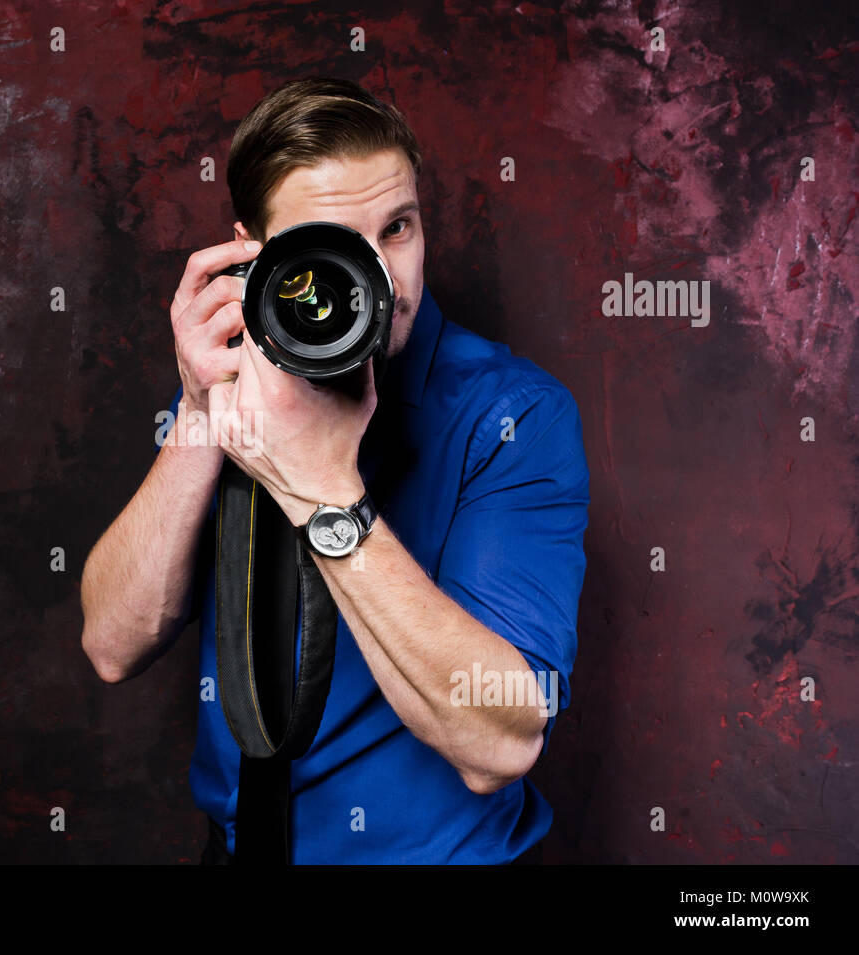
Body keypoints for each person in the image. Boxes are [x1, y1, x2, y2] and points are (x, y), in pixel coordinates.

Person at [80, 76, 590, 864]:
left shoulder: (514, 417)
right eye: (338, 245)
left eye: (398, 228)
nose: (383, 277)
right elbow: (113, 641)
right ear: (256, 254)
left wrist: (327, 490)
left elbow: (502, 739)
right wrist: (198, 411)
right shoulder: (233, 381)